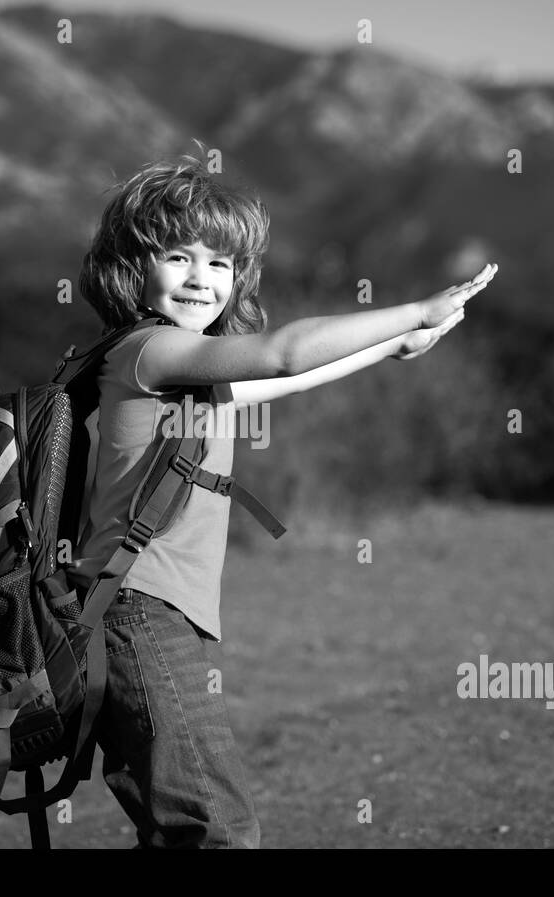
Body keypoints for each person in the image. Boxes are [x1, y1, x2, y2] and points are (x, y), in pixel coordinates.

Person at [66, 152, 496, 848]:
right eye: (178, 256)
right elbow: (285, 353)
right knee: (217, 828)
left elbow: (287, 380)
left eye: (220, 262)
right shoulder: (151, 351)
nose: (203, 277)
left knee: (181, 824)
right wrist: (416, 307)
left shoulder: (186, 371)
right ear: (130, 268)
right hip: (138, 611)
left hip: (155, 611)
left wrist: (395, 346)